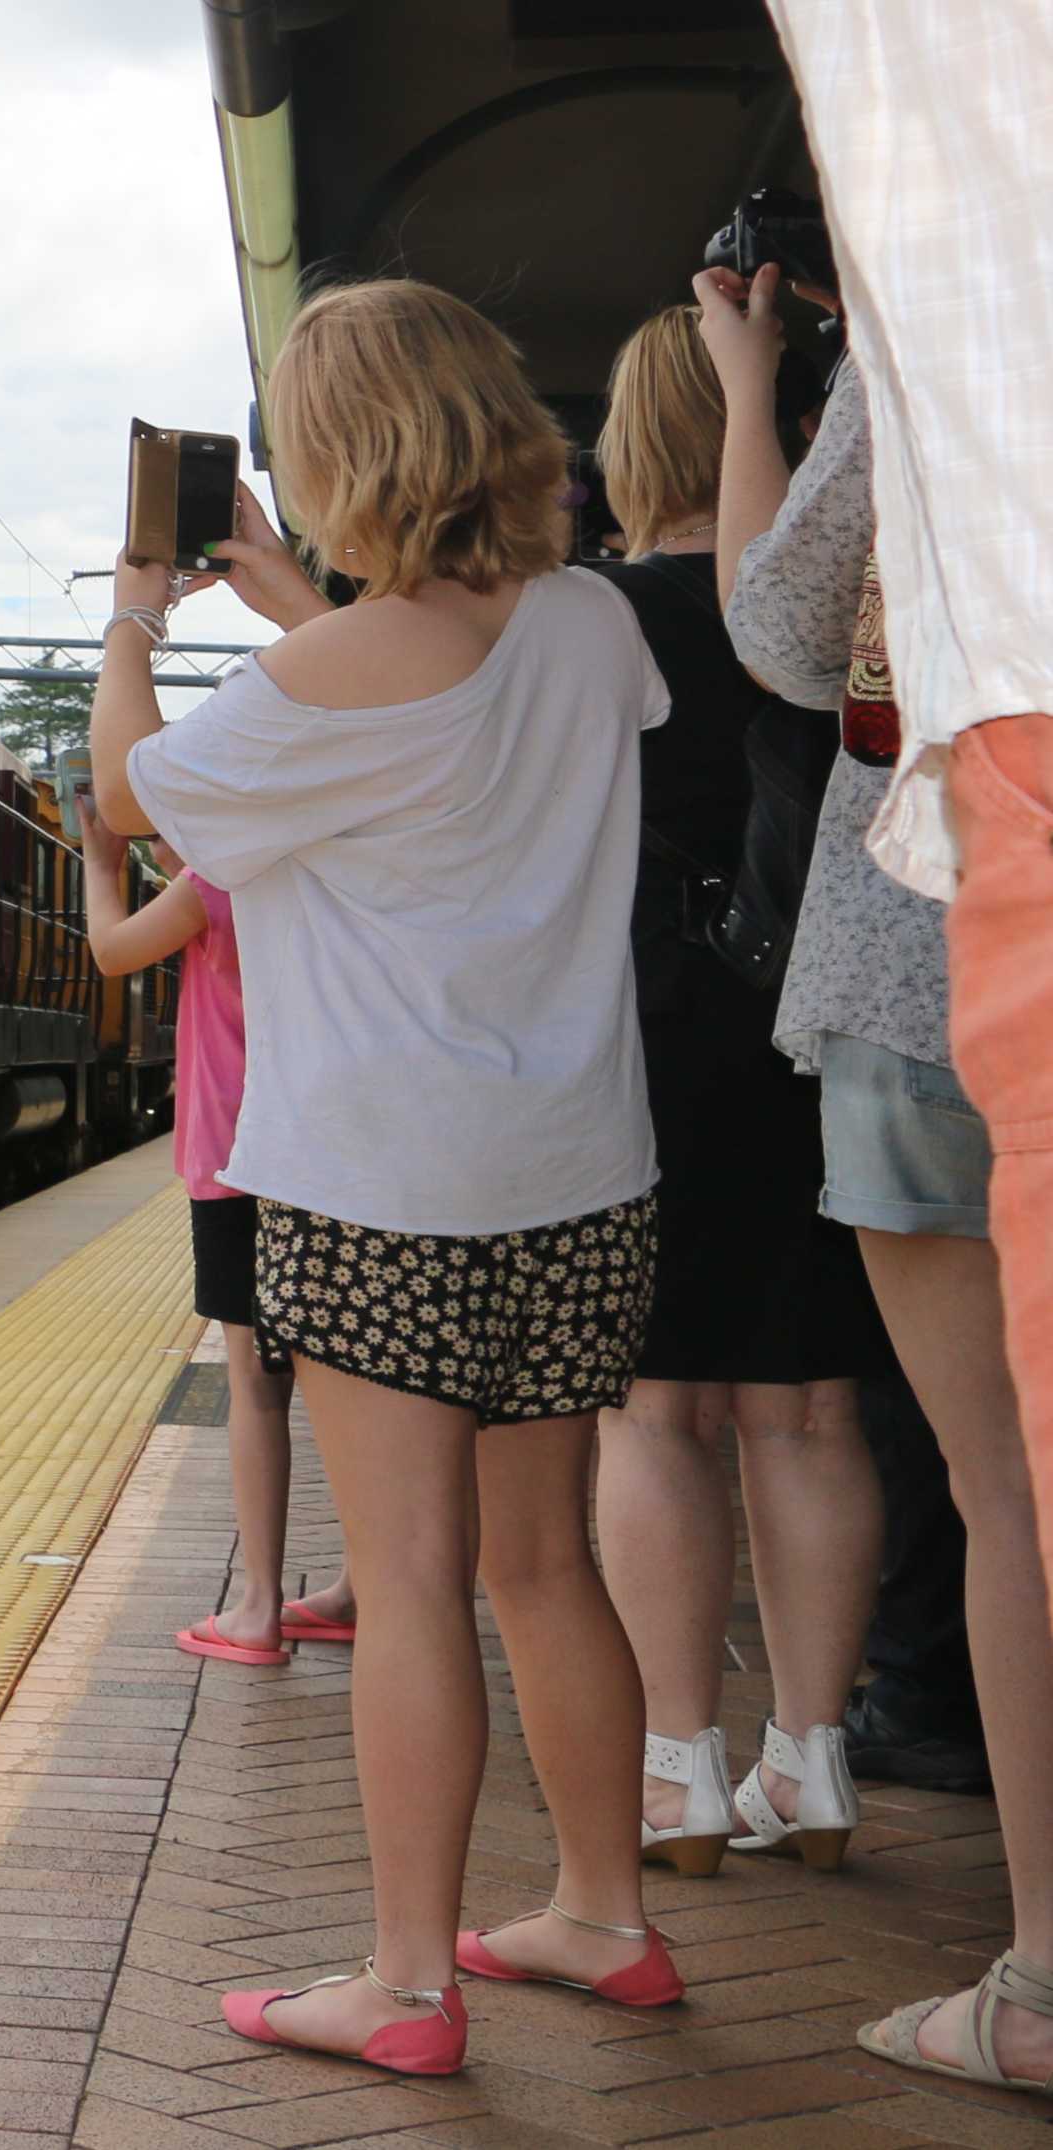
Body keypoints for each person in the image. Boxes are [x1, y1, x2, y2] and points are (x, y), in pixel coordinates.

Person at [93, 279, 680, 2077]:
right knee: (544, 1562)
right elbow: (457, 684)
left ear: (338, 452)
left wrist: (136, 619)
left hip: (380, 1188)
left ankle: (408, 1987)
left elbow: (135, 799)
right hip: (581, 1173)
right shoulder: (593, 625)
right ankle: (603, 1914)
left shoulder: (316, 679)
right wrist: (292, 592)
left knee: (409, 1580)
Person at [701, 251, 1053, 2099]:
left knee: (1009, 1491)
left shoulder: (954, 335)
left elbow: (778, 624)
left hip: (937, 957)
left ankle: (1048, 1985)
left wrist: (756, 383)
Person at [581, 306, 893, 1879]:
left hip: (647, 1031)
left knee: (656, 1406)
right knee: (813, 1406)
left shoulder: (592, 615)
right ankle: (813, 1760)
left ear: (635, 442)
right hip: (819, 1015)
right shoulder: (833, 607)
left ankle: (678, 1767)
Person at [79, 816, 356, 1668]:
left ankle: (257, 1607)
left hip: (239, 1156)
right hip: (330, 1151)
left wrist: (100, 860)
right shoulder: (318, 867)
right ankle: (363, 1584)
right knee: (350, 1383)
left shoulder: (213, 885)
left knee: (256, 1387)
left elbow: (112, 950)